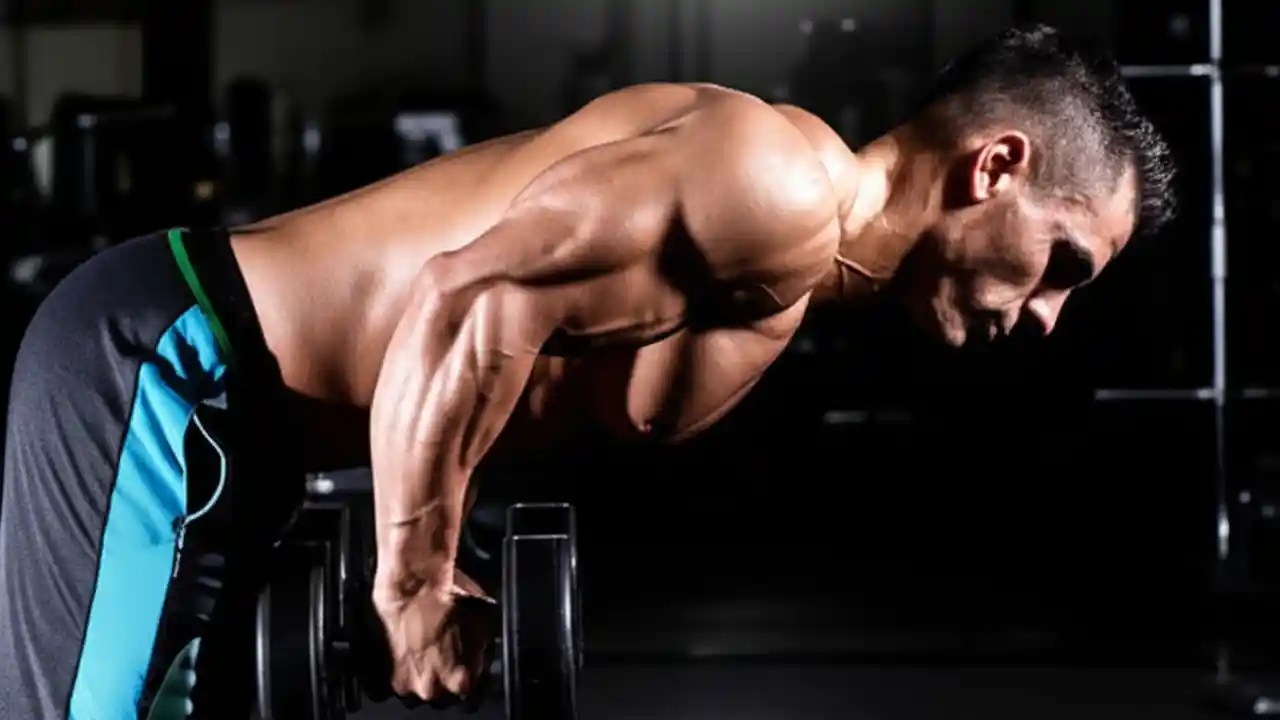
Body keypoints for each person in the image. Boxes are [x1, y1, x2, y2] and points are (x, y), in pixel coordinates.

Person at [0, 23, 1174, 719]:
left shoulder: (784, 280)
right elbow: (466, 302)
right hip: (176, 360)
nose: (1049, 317)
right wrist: (411, 584)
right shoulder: (776, 186)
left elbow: (552, 378)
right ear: (994, 166)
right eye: (1062, 264)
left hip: (249, 441)